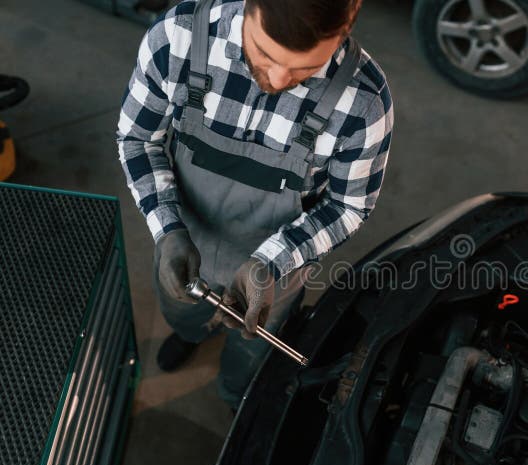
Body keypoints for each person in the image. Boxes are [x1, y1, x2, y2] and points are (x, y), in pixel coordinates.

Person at [116, 0, 393, 409]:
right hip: (181, 249)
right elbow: (138, 139)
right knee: (183, 314)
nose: (279, 78)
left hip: (274, 279)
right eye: (263, 53)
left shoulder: (364, 104)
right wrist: (168, 228)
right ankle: (190, 334)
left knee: (250, 353)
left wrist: (271, 263)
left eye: (304, 69)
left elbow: (348, 206)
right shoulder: (177, 39)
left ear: (349, 19)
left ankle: (235, 394)